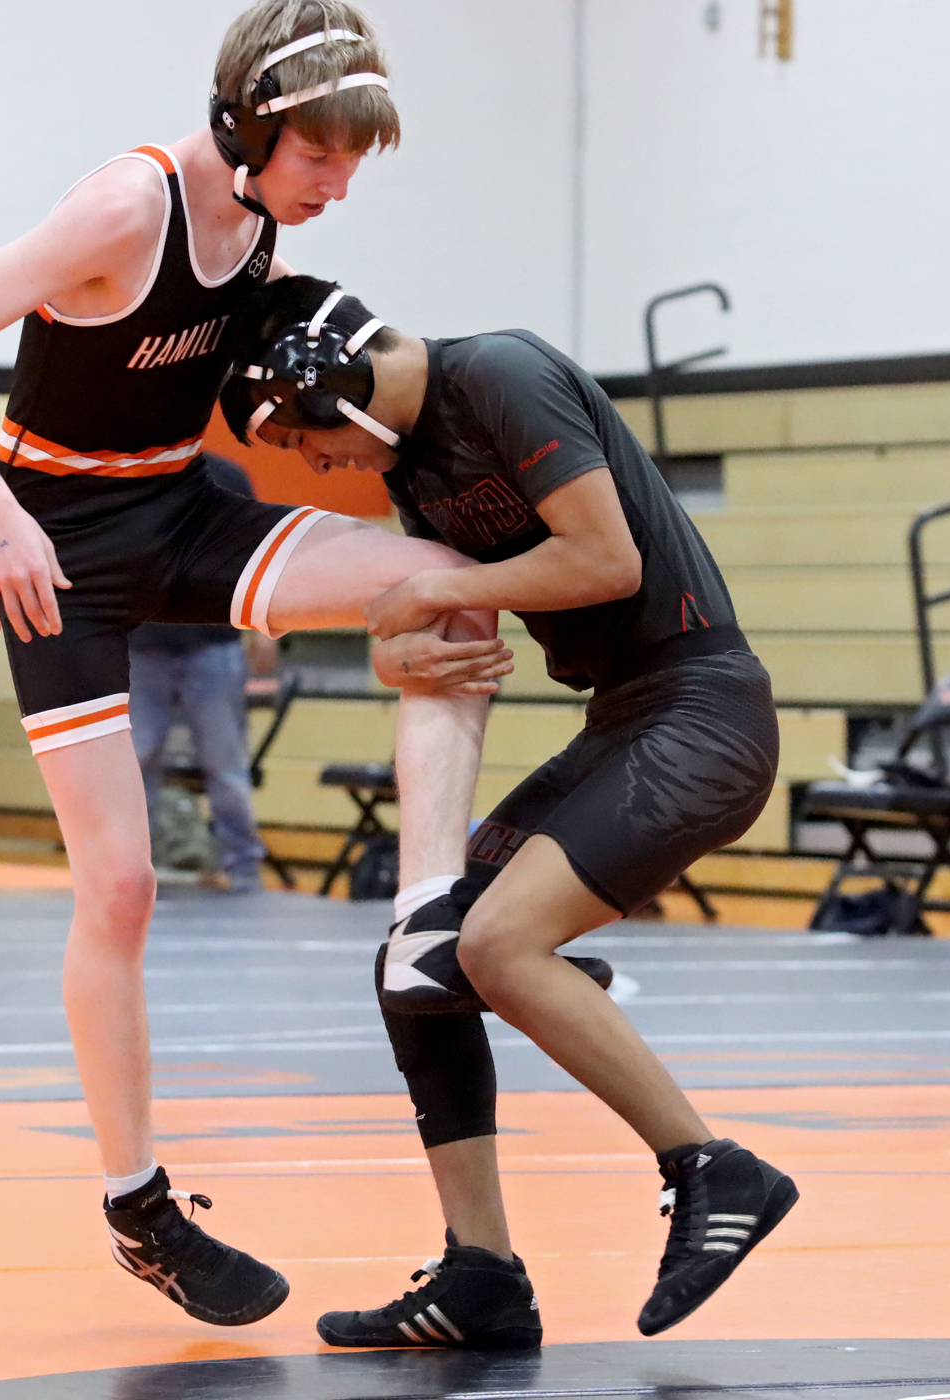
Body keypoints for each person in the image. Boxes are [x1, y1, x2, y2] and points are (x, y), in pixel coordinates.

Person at [0, 0, 523, 1331]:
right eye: (322, 160)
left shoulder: (262, 219)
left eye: (353, 162)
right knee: (118, 889)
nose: (339, 186)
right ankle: (137, 1203)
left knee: (449, 588)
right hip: (55, 543)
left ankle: (425, 918)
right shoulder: (125, 207)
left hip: (178, 513)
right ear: (248, 126)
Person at [226, 275, 800, 1347]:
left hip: (703, 711)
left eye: (301, 436)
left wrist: (433, 598)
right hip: (627, 722)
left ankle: (717, 1168)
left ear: (328, 377)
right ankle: (482, 1271)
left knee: (496, 940)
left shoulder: (497, 371)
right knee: (419, 962)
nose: (315, 462)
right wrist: (398, 643)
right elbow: (458, 633)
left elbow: (605, 557)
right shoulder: (420, 469)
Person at [128, 457, 268, 893]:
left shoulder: (226, 475)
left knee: (225, 764)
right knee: (134, 762)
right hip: (143, 644)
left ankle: (243, 865)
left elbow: (255, 552)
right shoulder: (133, 474)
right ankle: (136, 869)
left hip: (214, 642)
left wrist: (264, 627)